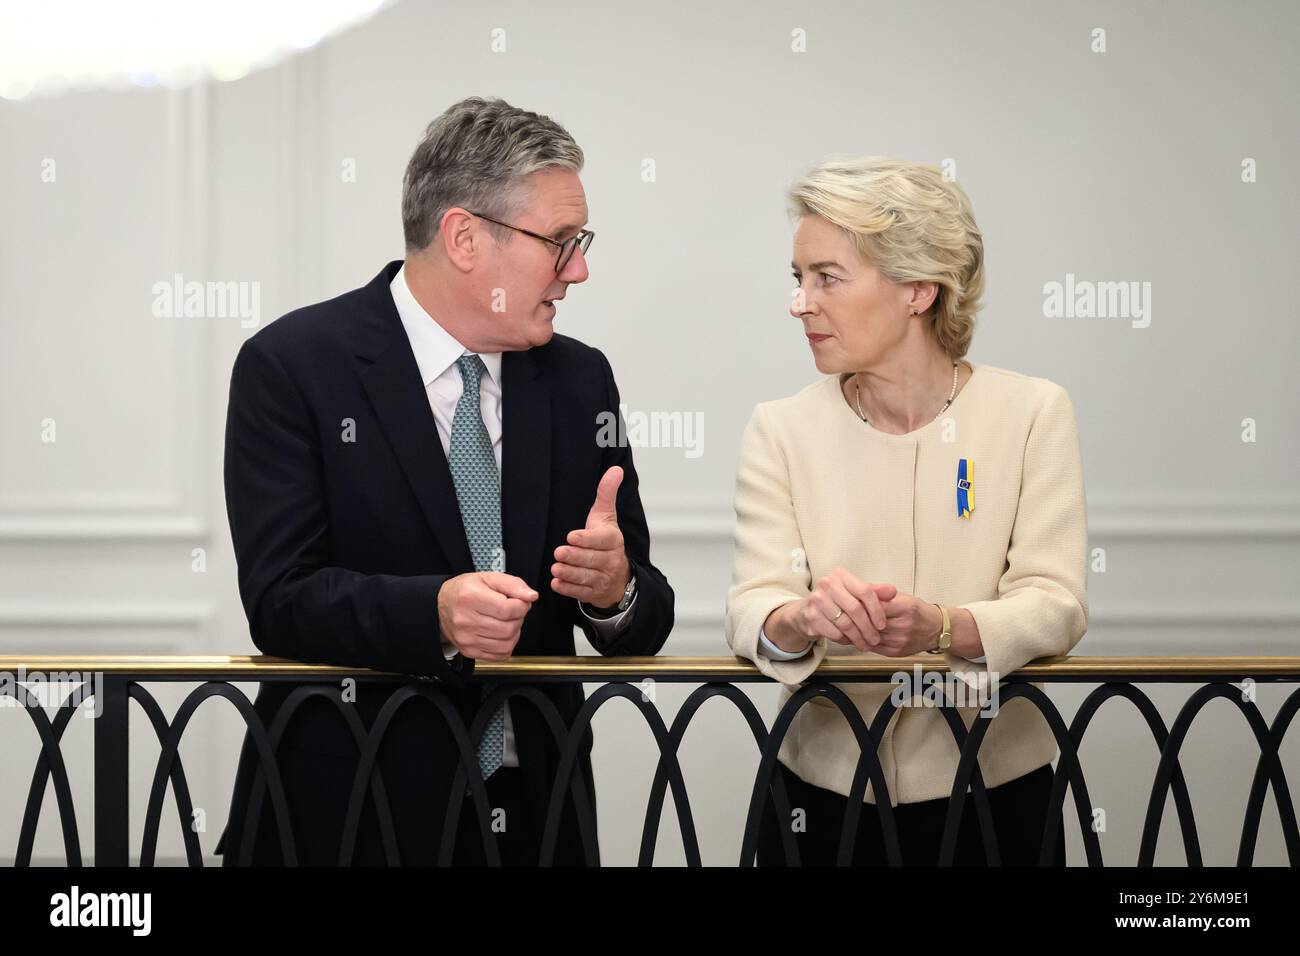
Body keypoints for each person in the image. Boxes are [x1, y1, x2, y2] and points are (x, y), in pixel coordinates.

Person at [216, 96, 674, 866]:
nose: (581, 269)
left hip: (538, 817)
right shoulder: (294, 366)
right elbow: (280, 599)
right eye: (562, 242)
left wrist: (613, 590)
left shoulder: (579, 380)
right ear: (464, 237)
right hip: (348, 816)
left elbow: (646, 614)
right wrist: (432, 613)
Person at [725, 156, 1087, 866]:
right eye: (797, 280)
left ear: (920, 288)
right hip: (818, 803)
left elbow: (1057, 602)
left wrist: (943, 627)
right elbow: (753, 608)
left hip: (998, 800)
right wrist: (797, 619)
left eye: (826, 277)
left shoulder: (1032, 412)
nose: (801, 303)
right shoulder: (780, 427)